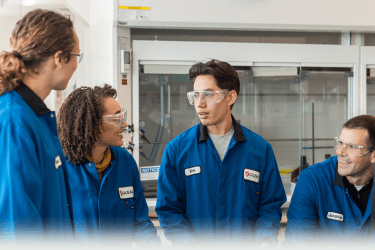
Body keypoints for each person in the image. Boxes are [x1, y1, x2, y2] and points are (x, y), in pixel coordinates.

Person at [155, 59, 287, 247]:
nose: (199, 104)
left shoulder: (260, 150)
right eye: (195, 95)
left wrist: (263, 242)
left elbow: (269, 207)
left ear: (230, 97)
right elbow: (168, 210)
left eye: (208, 95)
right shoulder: (177, 150)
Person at [0, 9, 81, 244]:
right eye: (77, 55)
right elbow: (17, 226)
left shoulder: (38, 118)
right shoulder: (14, 120)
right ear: (59, 58)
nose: (77, 64)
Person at [57, 85, 161, 247]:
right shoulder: (61, 166)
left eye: (122, 116)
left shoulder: (125, 161)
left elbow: (140, 222)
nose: (125, 124)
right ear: (91, 124)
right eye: (116, 119)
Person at [285, 115, 375, 247]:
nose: (340, 152)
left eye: (352, 146)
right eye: (340, 143)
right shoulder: (312, 180)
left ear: (373, 155)